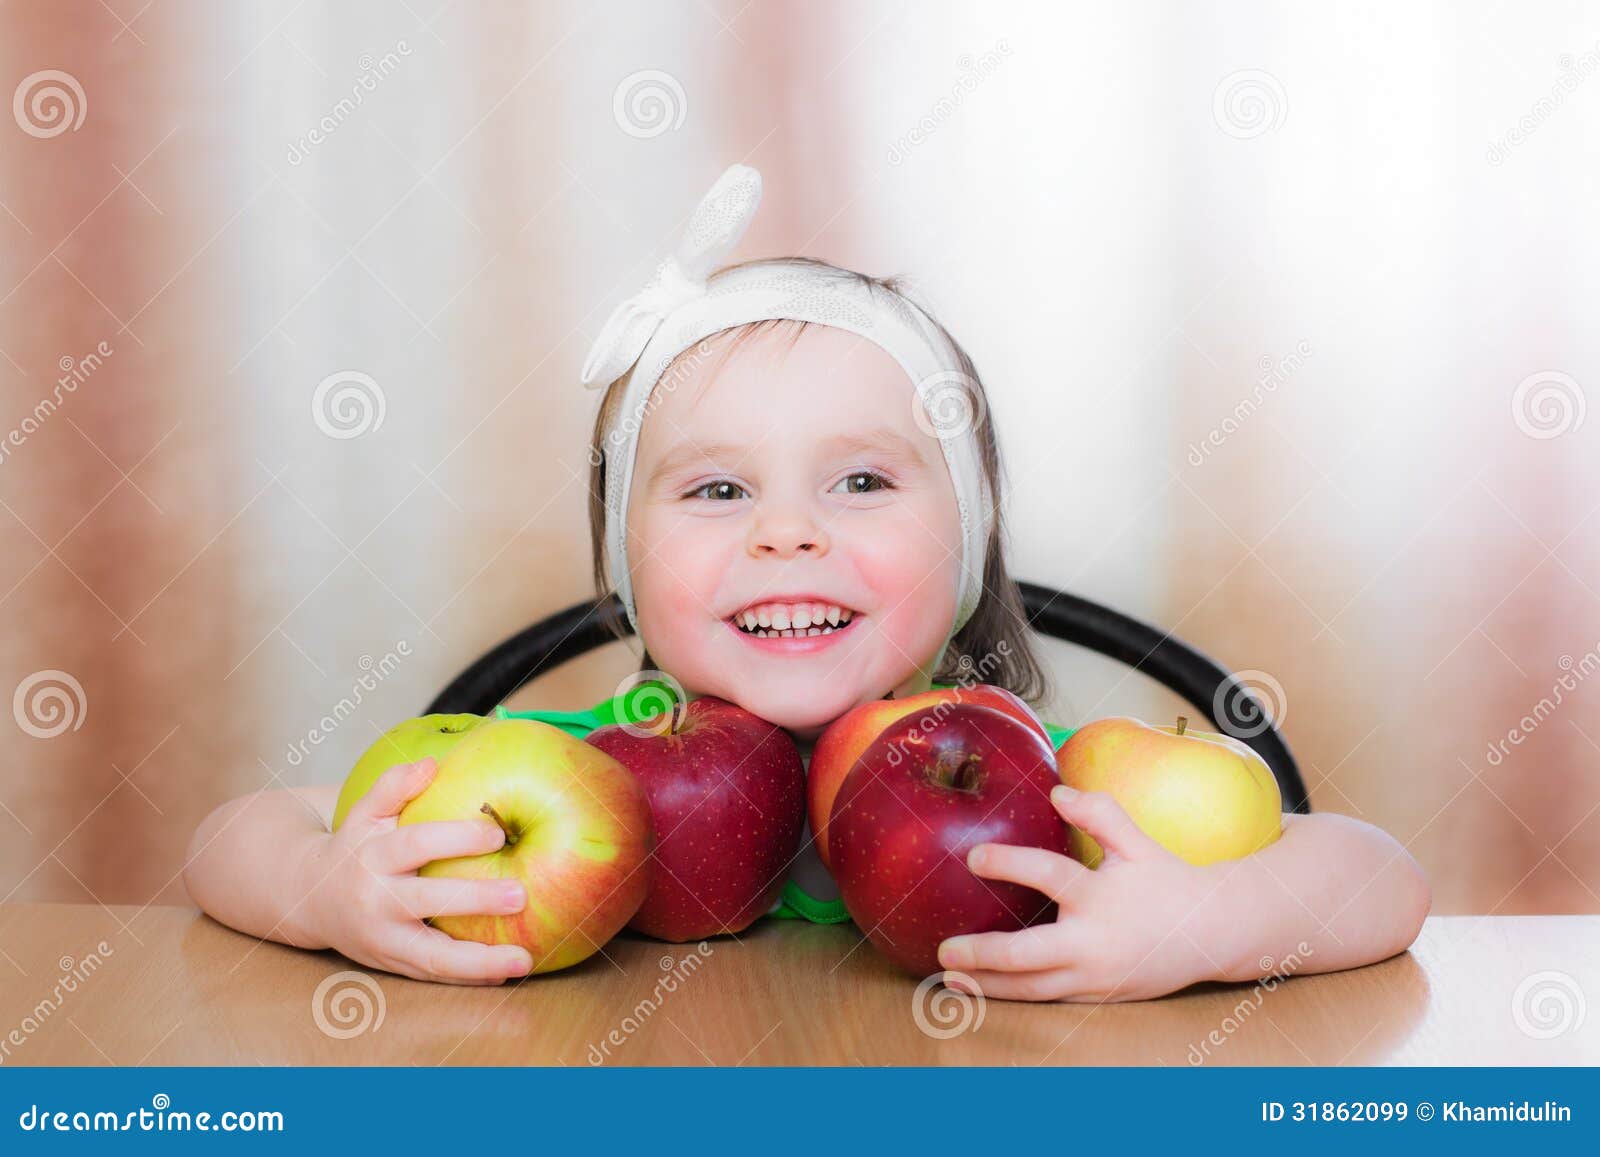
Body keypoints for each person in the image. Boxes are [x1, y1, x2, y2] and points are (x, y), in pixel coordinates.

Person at [185, 165, 1429, 998]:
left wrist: (1204, 928)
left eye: (862, 484)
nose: (787, 535)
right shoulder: (559, 771)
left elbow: (1376, 871)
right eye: (718, 492)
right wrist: (321, 888)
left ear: (970, 543)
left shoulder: (1060, 794)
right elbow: (232, 836)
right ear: (625, 562)